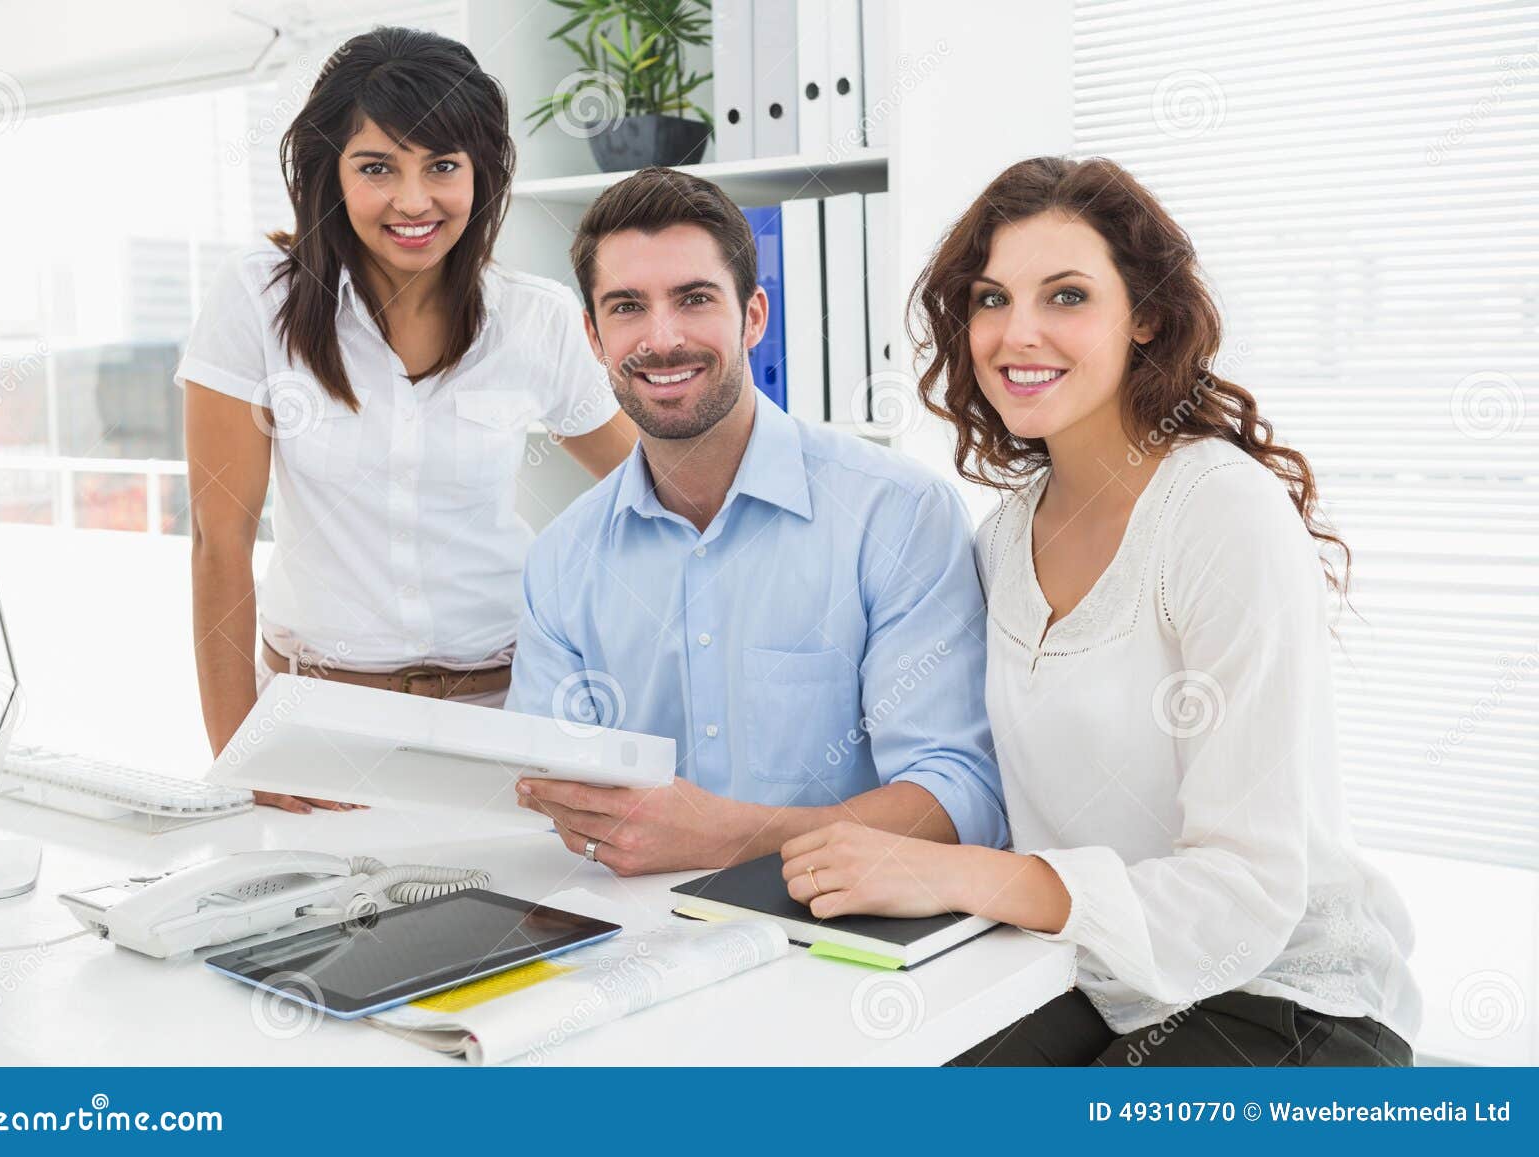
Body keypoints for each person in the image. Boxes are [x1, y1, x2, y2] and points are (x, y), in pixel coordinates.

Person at [778, 156, 1420, 1066]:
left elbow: (1247, 891)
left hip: (1284, 993)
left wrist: (957, 873)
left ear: (1146, 316)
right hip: (1096, 977)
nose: (1016, 332)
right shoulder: (999, 540)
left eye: (1067, 296)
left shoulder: (1219, 514)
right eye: (991, 299)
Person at [175, 28, 637, 812]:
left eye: (443, 167)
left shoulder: (536, 319)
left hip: (507, 721)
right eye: (378, 167)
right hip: (318, 728)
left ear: (480, 174)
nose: (414, 200)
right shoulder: (256, 304)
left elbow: (654, 497)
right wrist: (241, 759)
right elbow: (220, 543)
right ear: (331, 173)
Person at [502, 167, 1008, 875]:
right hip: (633, 941)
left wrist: (733, 837)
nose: (662, 337)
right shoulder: (562, 559)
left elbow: (960, 797)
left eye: (694, 298)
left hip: (844, 941)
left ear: (754, 316)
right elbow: (547, 793)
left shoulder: (895, 515)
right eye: (626, 307)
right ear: (593, 336)